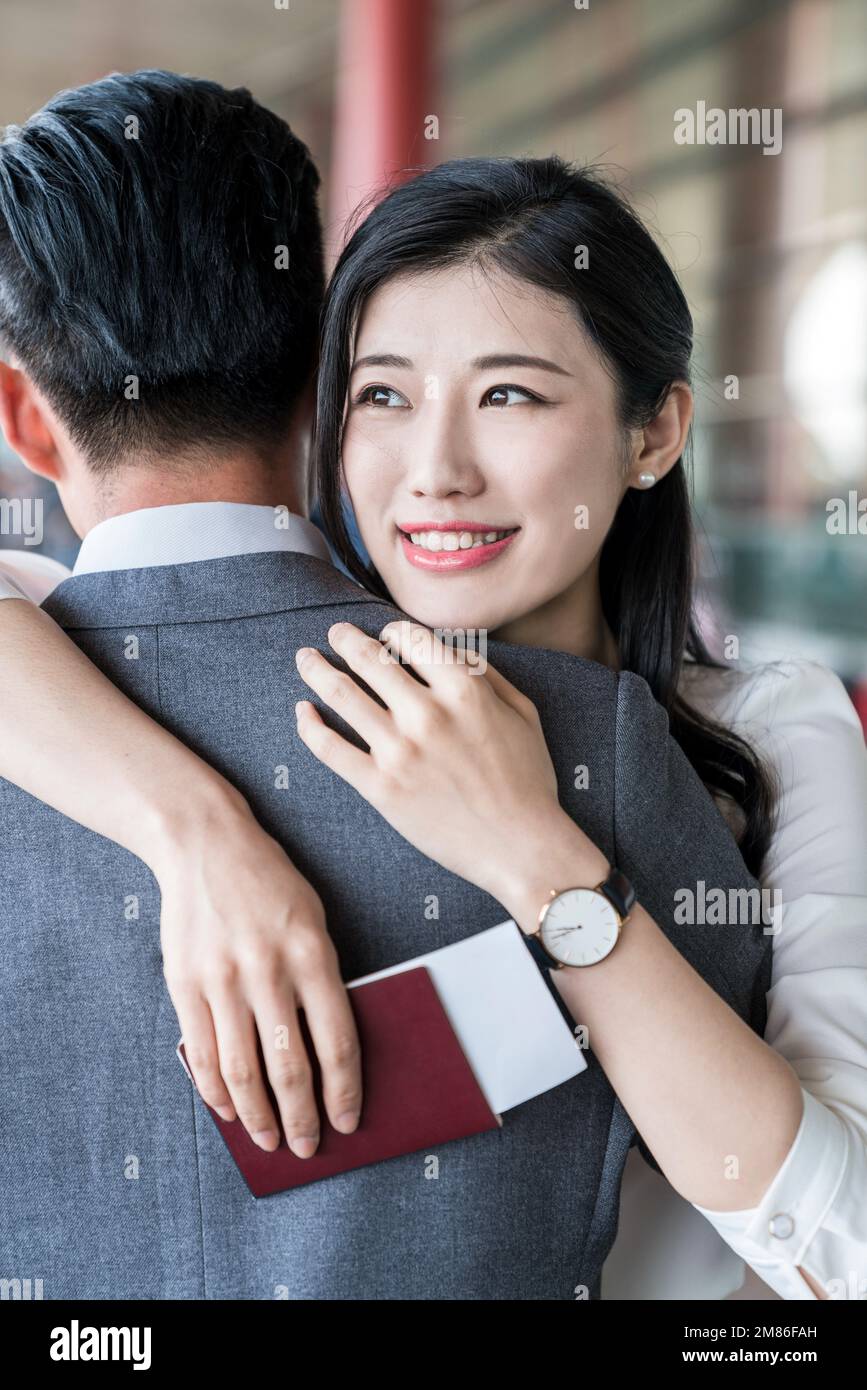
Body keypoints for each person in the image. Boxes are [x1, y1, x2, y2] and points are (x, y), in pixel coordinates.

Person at [0, 75, 862, 1299]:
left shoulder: (742, 730)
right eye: (385, 394)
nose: (437, 472)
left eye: (509, 393)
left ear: (656, 431)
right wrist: (192, 830)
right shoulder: (121, 686)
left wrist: (540, 859)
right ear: (323, 407)